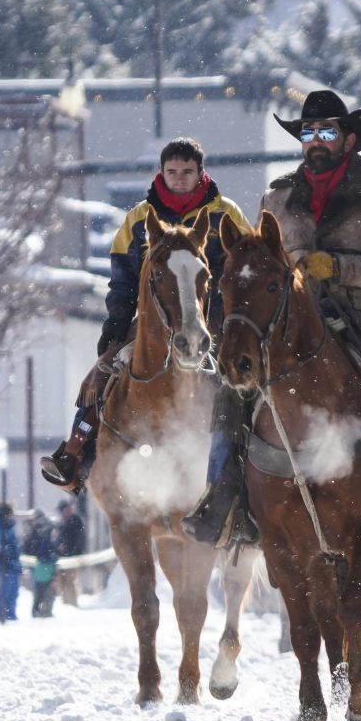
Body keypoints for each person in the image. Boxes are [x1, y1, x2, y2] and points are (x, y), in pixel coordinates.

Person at [184, 90, 361, 548]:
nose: (315, 141)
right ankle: (222, 496)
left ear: (348, 139)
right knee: (231, 392)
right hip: (291, 326)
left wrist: (339, 268)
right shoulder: (276, 198)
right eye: (307, 133)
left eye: (325, 132)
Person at [40, 138, 249, 491]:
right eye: (172, 171)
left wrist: (230, 318)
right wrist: (114, 332)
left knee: (246, 384)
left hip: (217, 320)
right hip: (155, 320)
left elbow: (243, 269)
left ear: (201, 172)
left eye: (187, 171)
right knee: (103, 374)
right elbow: (122, 280)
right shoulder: (139, 218)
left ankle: (257, 462)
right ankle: (75, 455)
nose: (179, 178)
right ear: (161, 173)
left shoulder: (226, 213)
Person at [0, 502, 22, 623]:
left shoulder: (10, 526)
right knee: (4, 590)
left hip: (12, 563)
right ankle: (0, 613)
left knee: (13, 590)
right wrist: (4, 552)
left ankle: (10, 613)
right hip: (3, 563)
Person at [23, 510, 59, 618]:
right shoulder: (47, 529)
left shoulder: (37, 531)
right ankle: (44, 611)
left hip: (42, 563)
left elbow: (29, 547)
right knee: (46, 590)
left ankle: (39, 611)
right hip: (45, 563)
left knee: (41, 590)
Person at [53, 499, 84, 607]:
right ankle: (65, 603)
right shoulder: (61, 523)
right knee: (62, 581)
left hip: (72, 557)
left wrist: (70, 550)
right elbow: (57, 539)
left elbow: (78, 539)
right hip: (61, 557)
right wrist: (58, 547)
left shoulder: (75, 521)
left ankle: (72, 603)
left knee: (70, 580)